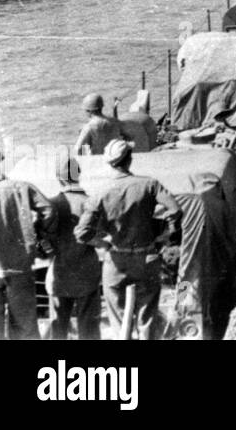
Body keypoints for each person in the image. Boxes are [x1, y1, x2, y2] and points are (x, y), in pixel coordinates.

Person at [75, 140, 181, 341]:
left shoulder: (100, 192)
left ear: (109, 163)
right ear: (129, 160)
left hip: (115, 260)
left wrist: (103, 243)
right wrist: (163, 235)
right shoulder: (149, 184)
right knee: (147, 316)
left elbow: (81, 233)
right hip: (146, 257)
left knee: (118, 319)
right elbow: (175, 210)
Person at [0, 139, 56, 340]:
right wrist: (40, 235)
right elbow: (49, 210)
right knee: (25, 326)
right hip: (19, 266)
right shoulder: (22, 187)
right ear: (1, 161)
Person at [46, 154, 102, 340]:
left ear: (58, 177)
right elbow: (101, 238)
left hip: (59, 274)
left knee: (58, 329)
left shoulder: (51, 204)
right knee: (89, 329)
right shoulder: (92, 202)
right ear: (79, 174)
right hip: (88, 274)